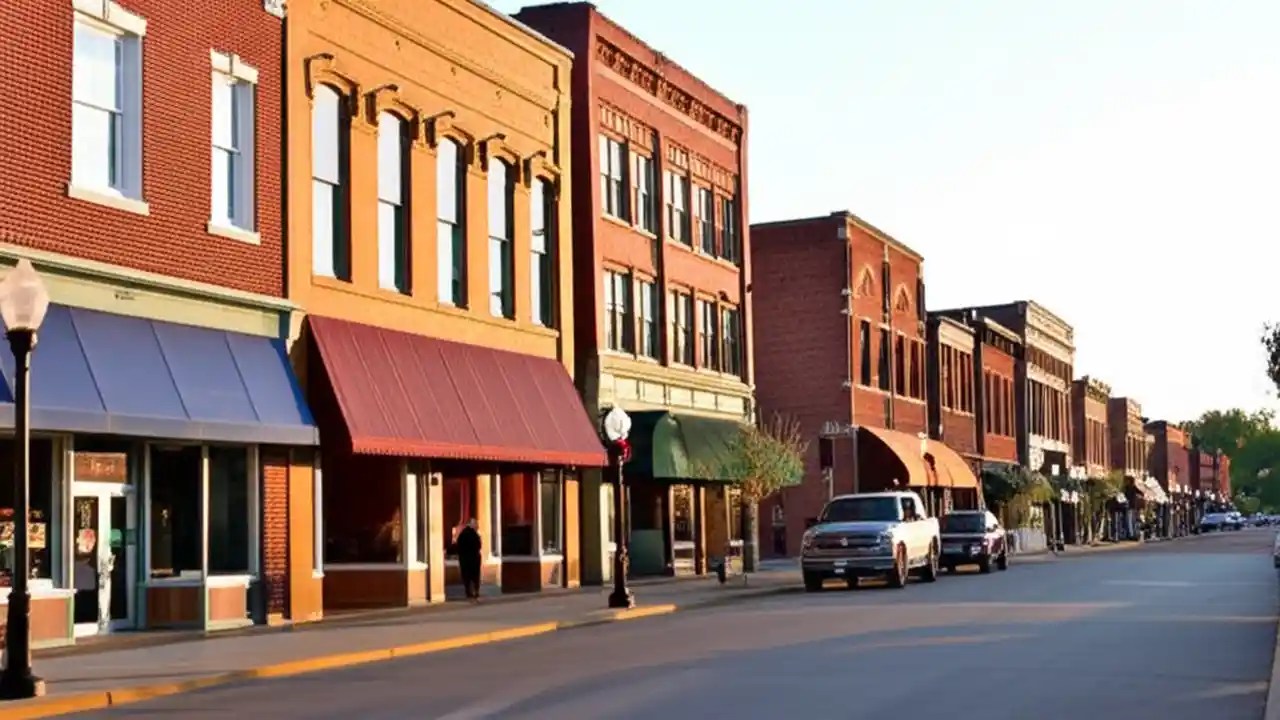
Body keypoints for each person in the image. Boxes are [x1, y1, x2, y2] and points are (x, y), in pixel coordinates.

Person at [456, 519, 483, 602]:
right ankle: (475, 591)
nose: (477, 526)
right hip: (473, 559)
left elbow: (458, 547)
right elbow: (478, 546)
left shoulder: (462, 534)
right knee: (475, 576)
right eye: (476, 524)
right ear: (471, 525)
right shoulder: (474, 535)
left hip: (464, 559)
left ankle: (468, 592)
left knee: (466, 576)